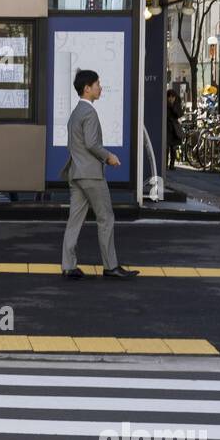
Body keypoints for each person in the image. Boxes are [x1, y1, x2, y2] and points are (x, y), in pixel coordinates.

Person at [61, 69, 139, 281]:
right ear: (87, 89)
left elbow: (75, 144)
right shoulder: (89, 113)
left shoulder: (76, 112)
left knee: (74, 220)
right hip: (92, 175)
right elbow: (92, 143)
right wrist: (109, 157)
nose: (100, 87)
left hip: (76, 173)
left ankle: (68, 265)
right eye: (97, 84)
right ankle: (110, 266)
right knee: (106, 218)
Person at [166, 88, 183, 169]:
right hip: (167, 126)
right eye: (169, 97)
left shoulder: (177, 103)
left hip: (174, 128)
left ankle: (172, 164)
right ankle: (165, 164)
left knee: (173, 147)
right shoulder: (165, 103)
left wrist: (172, 106)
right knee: (166, 146)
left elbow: (179, 114)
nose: (171, 98)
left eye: (172, 97)